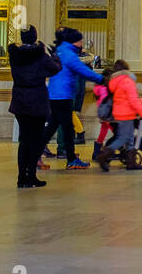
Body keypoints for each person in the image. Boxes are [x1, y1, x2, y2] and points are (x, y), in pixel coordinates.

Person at [7, 26, 61, 189]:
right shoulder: (40, 55)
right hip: (37, 98)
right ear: (35, 37)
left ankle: (21, 177)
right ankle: (31, 175)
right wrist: (55, 56)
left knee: (24, 140)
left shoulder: (14, 54)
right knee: (35, 139)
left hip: (20, 99)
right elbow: (55, 69)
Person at [43, 27, 100, 170]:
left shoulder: (60, 50)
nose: (82, 44)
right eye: (81, 41)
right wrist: (103, 79)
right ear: (75, 42)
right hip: (63, 95)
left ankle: (36, 154)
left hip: (54, 95)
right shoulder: (69, 54)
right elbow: (84, 71)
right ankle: (70, 159)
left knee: (54, 127)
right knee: (66, 128)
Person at [95, 60, 142, 172]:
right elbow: (133, 100)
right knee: (122, 139)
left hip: (121, 113)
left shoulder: (115, 81)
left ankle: (131, 163)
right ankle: (103, 156)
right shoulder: (127, 81)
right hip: (126, 114)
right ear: (126, 70)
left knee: (130, 138)